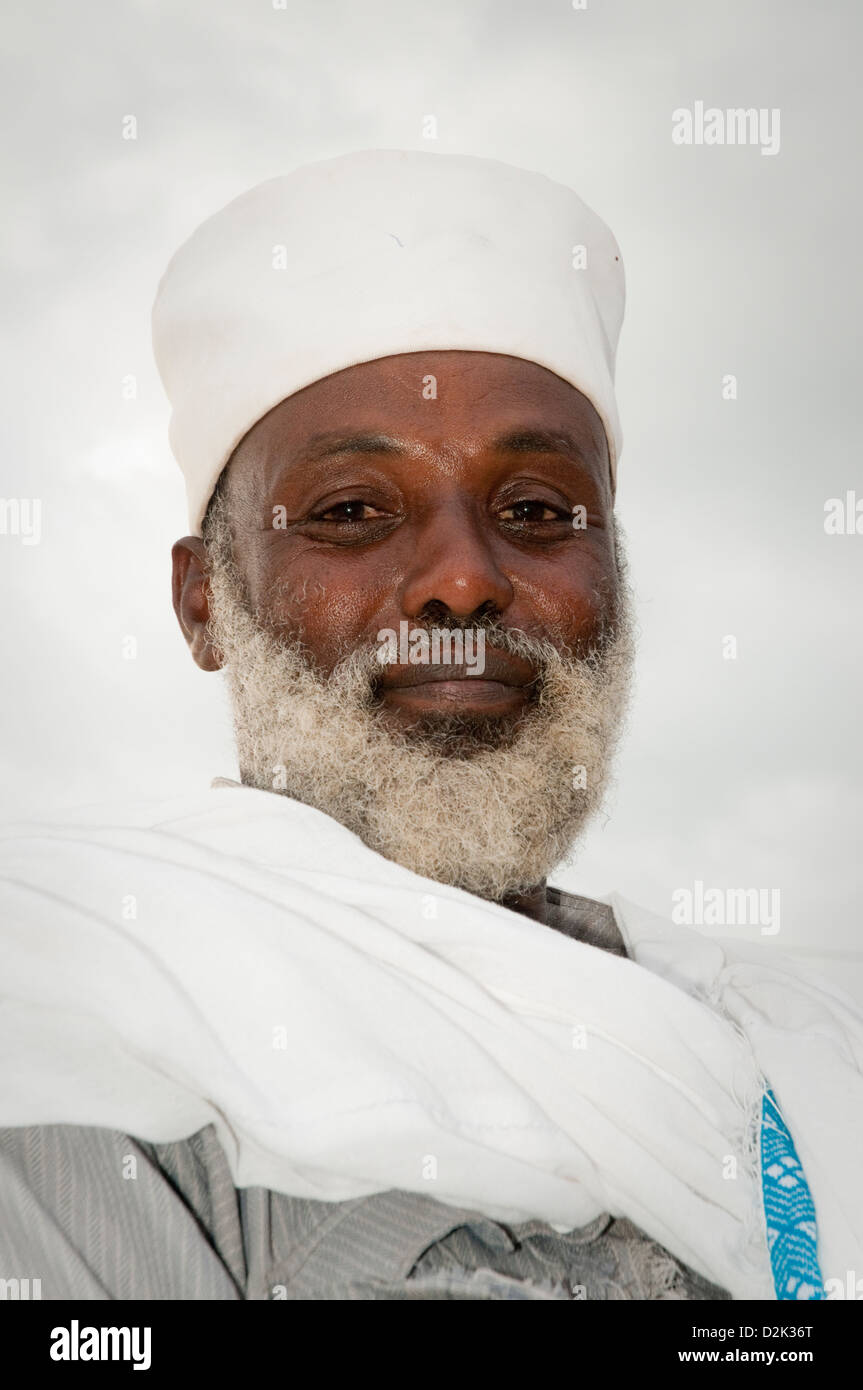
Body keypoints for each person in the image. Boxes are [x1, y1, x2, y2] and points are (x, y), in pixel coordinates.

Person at [1, 150, 860, 1302]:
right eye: (352, 512)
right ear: (205, 598)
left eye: (537, 510)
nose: (461, 579)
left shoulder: (793, 1050)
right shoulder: (74, 1030)